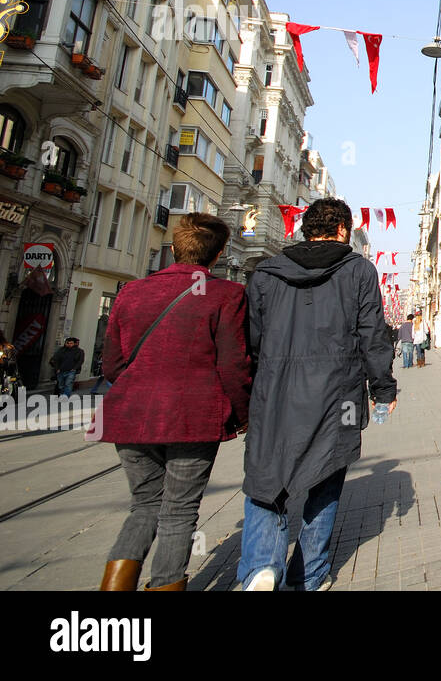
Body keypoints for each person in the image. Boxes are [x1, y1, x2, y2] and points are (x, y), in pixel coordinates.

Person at [237, 198, 397, 592]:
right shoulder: (359, 270)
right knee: (326, 474)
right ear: (343, 230)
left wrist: (253, 389)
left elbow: (250, 341)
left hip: (274, 389)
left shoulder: (264, 273)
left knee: (265, 474)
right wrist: (383, 388)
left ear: (304, 228)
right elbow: (373, 335)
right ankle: (308, 575)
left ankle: (261, 565)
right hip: (337, 392)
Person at [96, 213, 252, 591]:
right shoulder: (226, 295)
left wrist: (143, 387)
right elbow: (233, 364)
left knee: (144, 505)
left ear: (172, 249)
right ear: (217, 256)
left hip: (131, 415)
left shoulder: (131, 292)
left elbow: (112, 363)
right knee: (179, 510)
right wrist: (243, 412)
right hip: (192, 416)